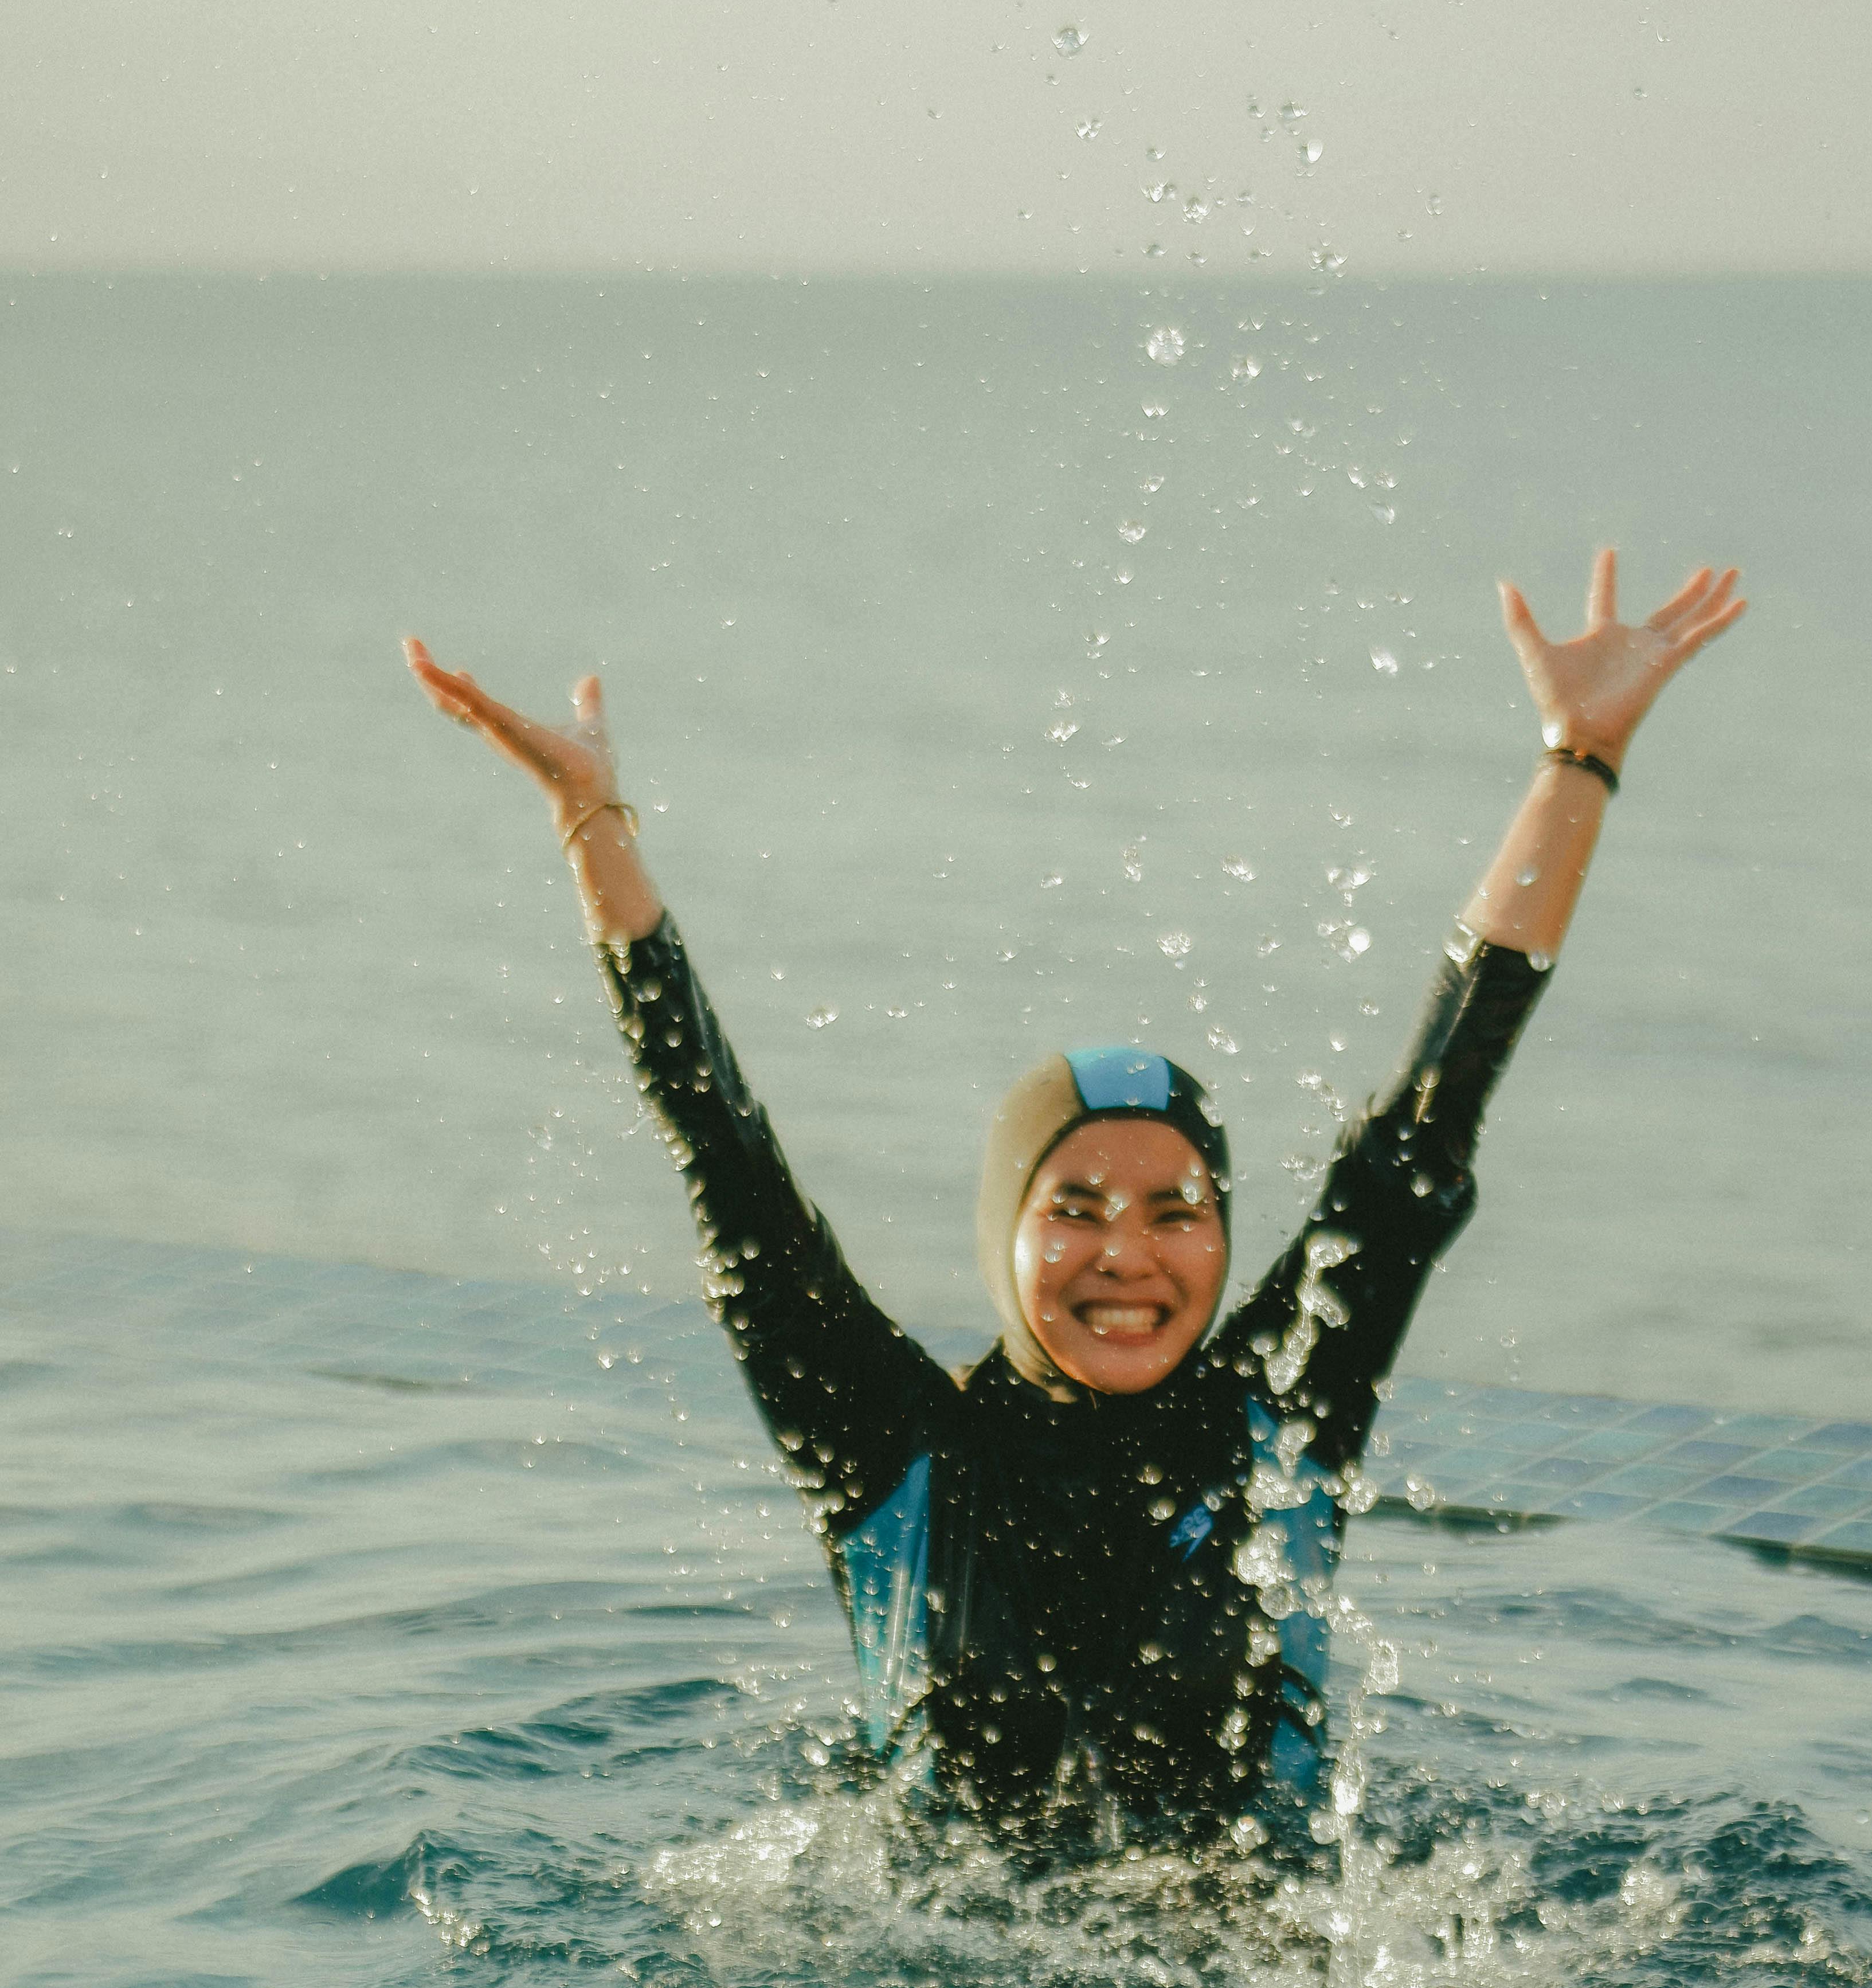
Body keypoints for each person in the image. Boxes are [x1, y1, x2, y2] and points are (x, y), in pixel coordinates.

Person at [406, 550, 1741, 1850]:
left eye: (1178, 1212)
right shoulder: (895, 1453)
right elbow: (724, 1151)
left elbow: (1427, 1119)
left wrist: (1580, 762)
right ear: (1005, 1232)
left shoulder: (1286, 1407)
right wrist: (592, 820)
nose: (1129, 1258)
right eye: (1077, 1208)